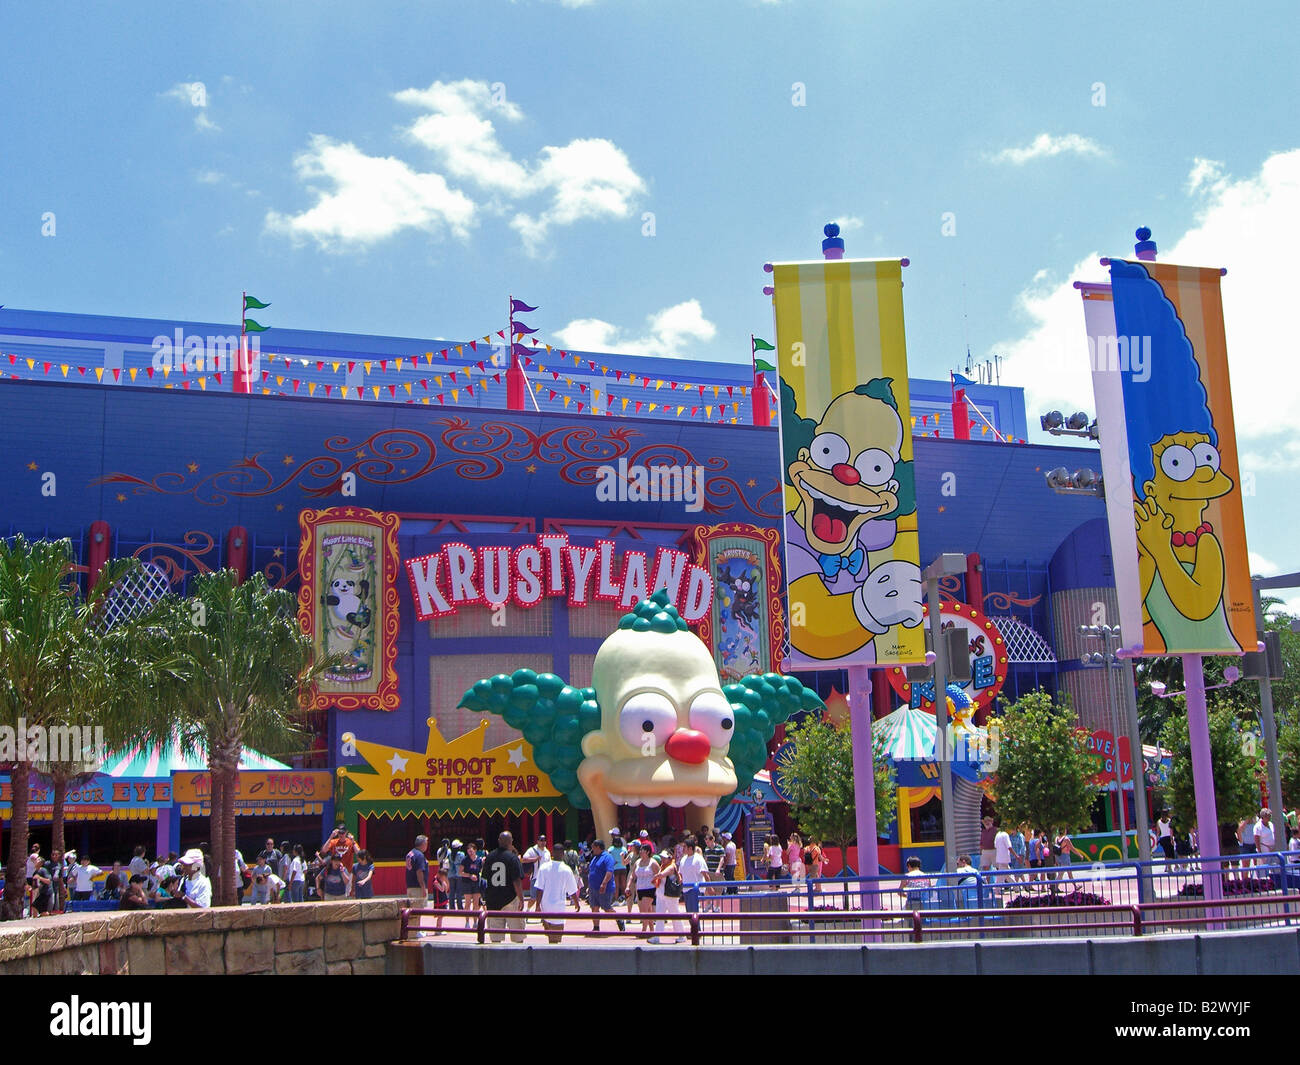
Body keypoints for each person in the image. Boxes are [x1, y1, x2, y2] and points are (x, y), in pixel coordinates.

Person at [482, 831, 526, 944]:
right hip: (510, 899)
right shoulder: (512, 858)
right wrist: (521, 898)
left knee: (495, 938)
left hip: (493, 900)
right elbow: (517, 880)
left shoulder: (490, 857)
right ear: (511, 842)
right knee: (517, 936)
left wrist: (484, 898)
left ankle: (496, 960)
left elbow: (485, 878)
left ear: (498, 841)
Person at [534, 842, 581, 943]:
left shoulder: (543, 868)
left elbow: (539, 889)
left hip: (545, 907)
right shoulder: (567, 870)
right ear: (563, 854)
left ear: (552, 853)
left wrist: (537, 905)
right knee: (556, 939)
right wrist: (576, 903)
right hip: (559, 908)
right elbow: (572, 890)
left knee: (550, 936)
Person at [586, 838, 623, 933]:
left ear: (598, 847)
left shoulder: (607, 857)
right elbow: (592, 871)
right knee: (594, 907)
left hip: (605, 888)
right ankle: (596, 927)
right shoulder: (594, 857)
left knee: (606, 908)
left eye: (593, 847)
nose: (592, 849)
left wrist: (604, 883)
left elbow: (609, 871)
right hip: (593, 888)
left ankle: (619, 919)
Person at [651, 844, 686, 944]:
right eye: (662, 857)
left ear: (669, 858)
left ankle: (681, 935)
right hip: (661, 894)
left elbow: (662, 875)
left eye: (664, 858)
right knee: (659, 916)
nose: (662, 859)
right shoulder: (663, 866)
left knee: (675, 915)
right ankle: (657, 936)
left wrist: (655, 877)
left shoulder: (671, 867)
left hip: (670, 895)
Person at [626, 842, 661, 935]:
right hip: (640, 889)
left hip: (650, 888)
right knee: (646, 910)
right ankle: (652, 930)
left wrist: (656, 883)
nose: (641, 852)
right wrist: (628, 886)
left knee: (644, 910)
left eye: (643, 850)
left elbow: (659, 874)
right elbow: (632, 876)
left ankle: (644, 930)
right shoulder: (637, 862)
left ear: (648, 852)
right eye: (640, 850)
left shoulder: (653, 862)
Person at [677, 836, 710, 915]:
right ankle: (694, 927)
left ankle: (697, 927)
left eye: (685, 847)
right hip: (685, 889)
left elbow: (705, 874)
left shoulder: (698, 859)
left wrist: (709, 887)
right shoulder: (683, 859)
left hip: (695, 889)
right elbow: (680, 873)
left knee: (694, 912)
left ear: (690, 848)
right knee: (689, 912)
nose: (683, 848)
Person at [522, 834, 551, 911]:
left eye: (544, 840)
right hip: (535, 878)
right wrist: (535, 859)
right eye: (541, 840)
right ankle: (527, 910)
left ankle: (542, 916)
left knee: (544, 899)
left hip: (545, 879)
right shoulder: (532, 850)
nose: (543, 842)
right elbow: (524, 859)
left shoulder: (547, 852)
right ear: (537, 841)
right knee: (533, 898)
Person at [406, 834, 430, 906]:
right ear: (423, 844)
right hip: (418, 888)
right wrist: (423, 887)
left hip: (410, 886)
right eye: (426, 844)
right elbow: (419, 871)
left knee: (412, 911)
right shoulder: (419, 855)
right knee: (418, 910)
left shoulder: (410, 853)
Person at [461, 840, 484, 911]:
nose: (470, 853)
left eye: (471, 851)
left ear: (475, 850)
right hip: (467, 882)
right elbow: (460, 872)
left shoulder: (479, 860)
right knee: (467, 902)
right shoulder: (465, 860)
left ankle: (475, 921)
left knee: (476, 903)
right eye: (468, 851)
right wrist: (470, 876)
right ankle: (467, 921)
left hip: (476, 883)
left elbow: (481, 871)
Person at [609, 832, 629, 899]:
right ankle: (625, 898)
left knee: (616, 885)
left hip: (615, 868)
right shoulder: (623, 849)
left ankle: (616, 899)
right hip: (623, 867)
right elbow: (626, 856)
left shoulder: (611, 849)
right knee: (623, 884)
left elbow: (609, 857)